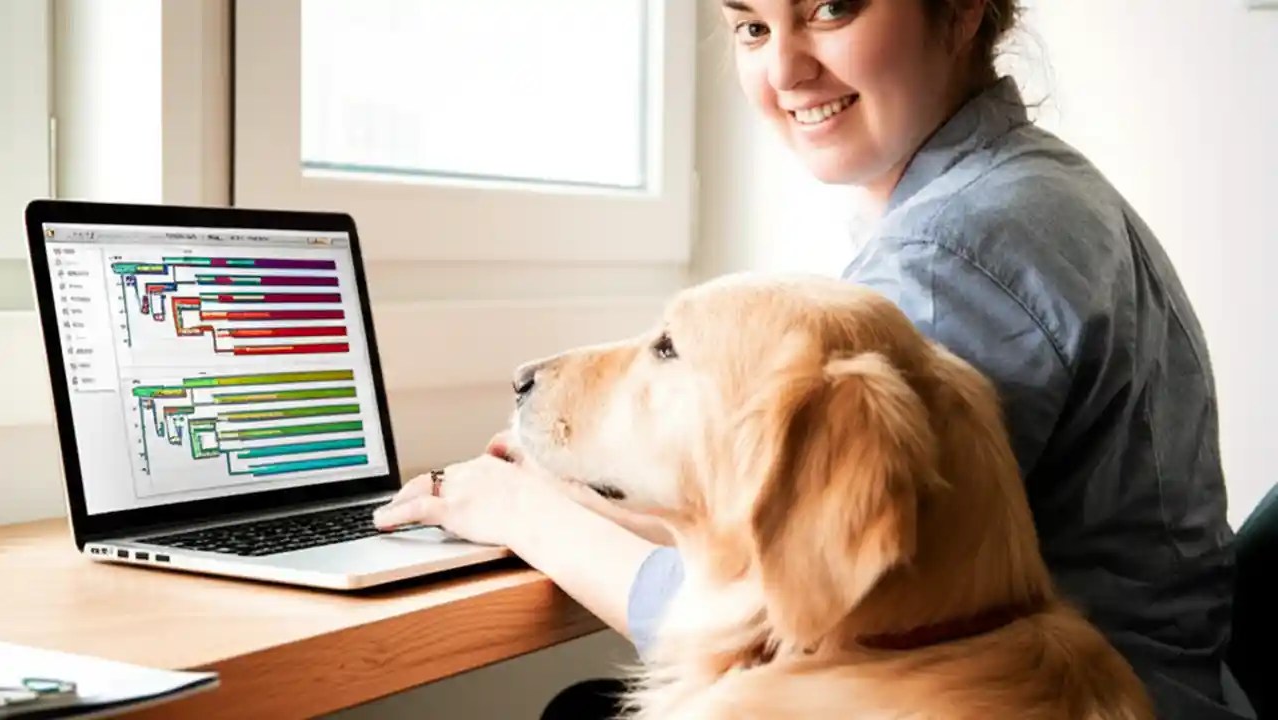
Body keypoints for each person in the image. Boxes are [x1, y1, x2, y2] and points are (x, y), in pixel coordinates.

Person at [372, 1, 1253, 718]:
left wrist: (523, 516)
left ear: (960, 10)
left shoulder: (951, 253)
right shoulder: (1028, 187)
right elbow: (785, 508)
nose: (785, 71)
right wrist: (575, 480)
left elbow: (785, 619)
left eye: (831, 9)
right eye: (753, 26)